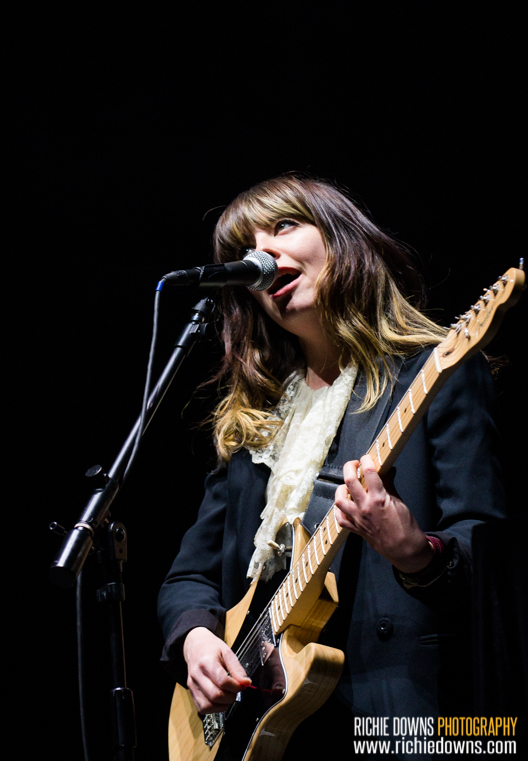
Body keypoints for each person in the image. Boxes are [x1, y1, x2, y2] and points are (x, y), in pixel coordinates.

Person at [157, 173, 505, 758]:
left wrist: (414, 551)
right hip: (272, 725)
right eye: (247, 248)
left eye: (285, 226)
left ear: (340, 238)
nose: (263, 253)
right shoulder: (258, 423)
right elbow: (187, 577)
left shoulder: (434, 375)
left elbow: (492, 559)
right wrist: (194, 638)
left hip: (404, 721)